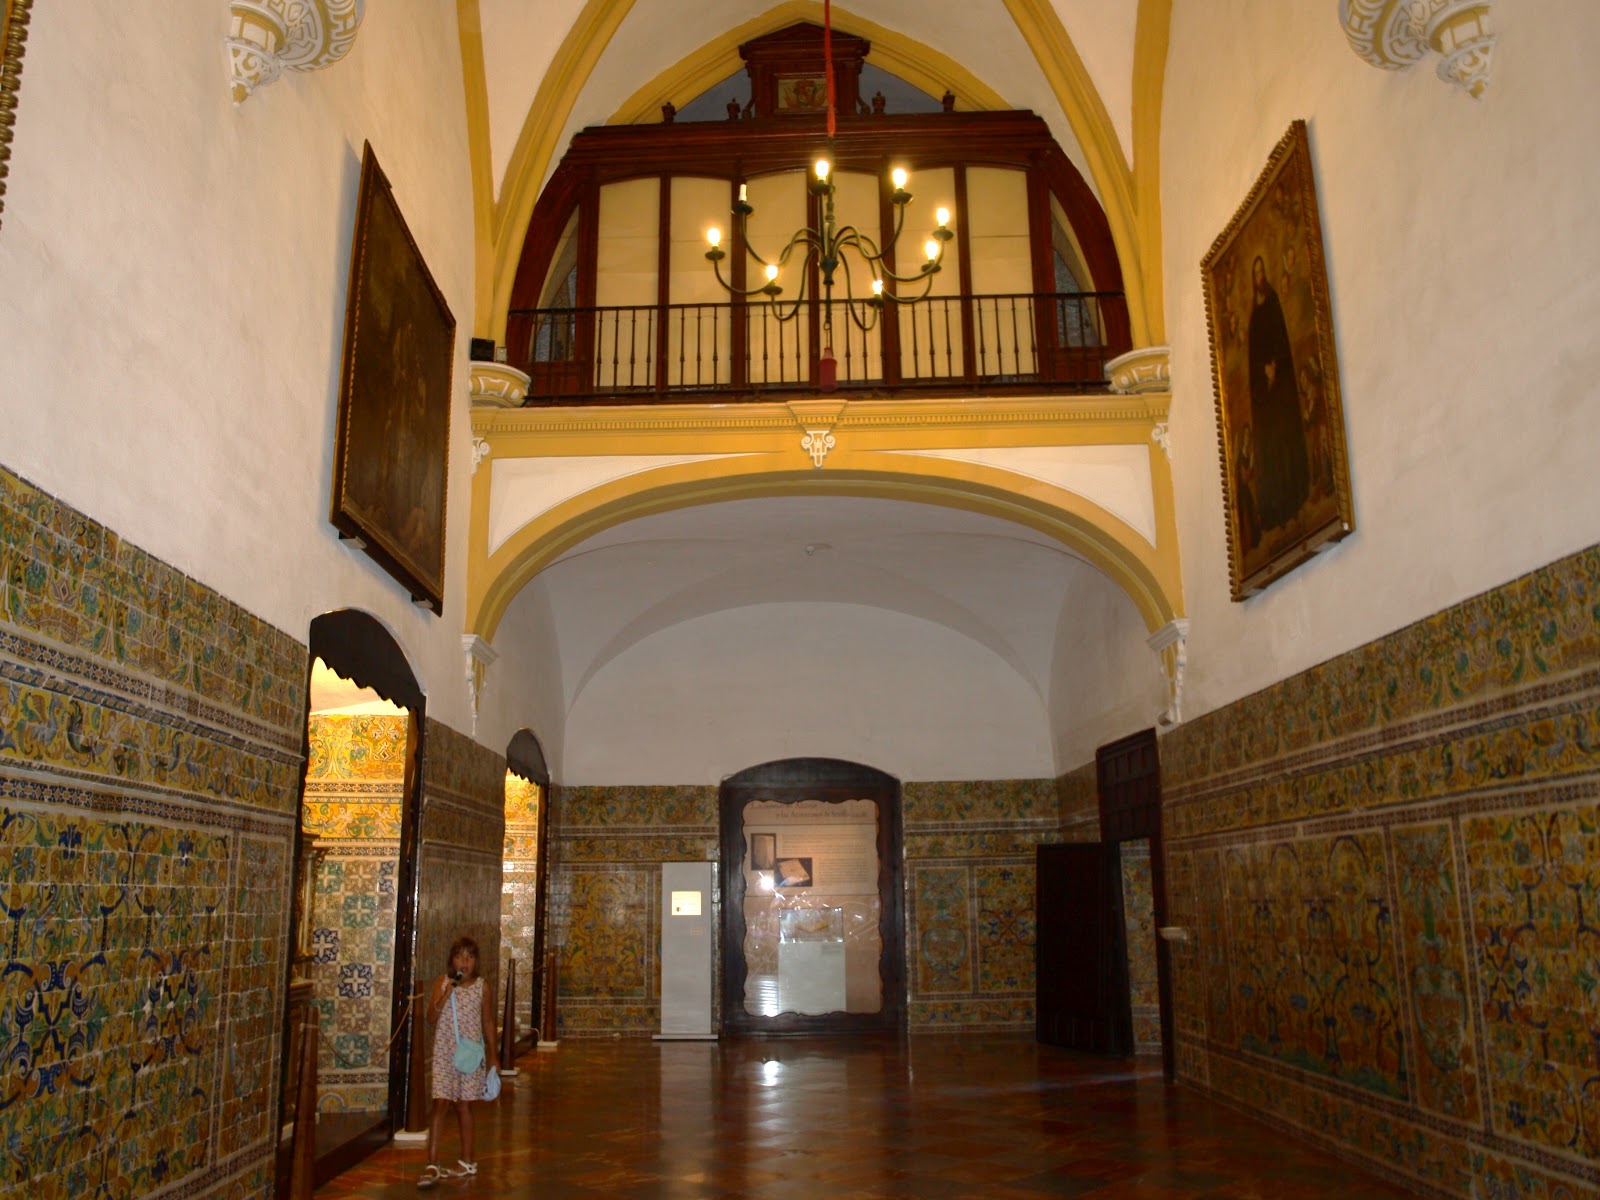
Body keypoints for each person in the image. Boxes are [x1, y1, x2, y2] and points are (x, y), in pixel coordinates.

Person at [418, 936, 499, 1189]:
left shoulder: (482, 987)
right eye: (460, 957)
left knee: (463, 1106)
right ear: (452, 961)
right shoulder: (442, 983)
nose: (465, 962)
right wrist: (446, 994)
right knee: (440, 1103)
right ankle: (432, 1162)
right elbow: (430, 1017)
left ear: (476, 961)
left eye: (470, 957)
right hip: (444, 1051)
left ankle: (467, 1160)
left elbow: (487, 1021)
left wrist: (494, 1056)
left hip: (469, 1054)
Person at [1245, 254, 1311, 532]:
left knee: (1285, 440)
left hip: (1280, 389)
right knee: (1270, 449)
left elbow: (1282, 341)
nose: (1260, 277)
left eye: (1262, 271)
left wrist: (1275, 366)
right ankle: (1276, 509)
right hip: (1265, 396)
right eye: (1256, 273)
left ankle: (1294, 496)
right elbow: (1251, 359)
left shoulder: (1273, 305)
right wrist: (1262, 376)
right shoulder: (1253, 316)